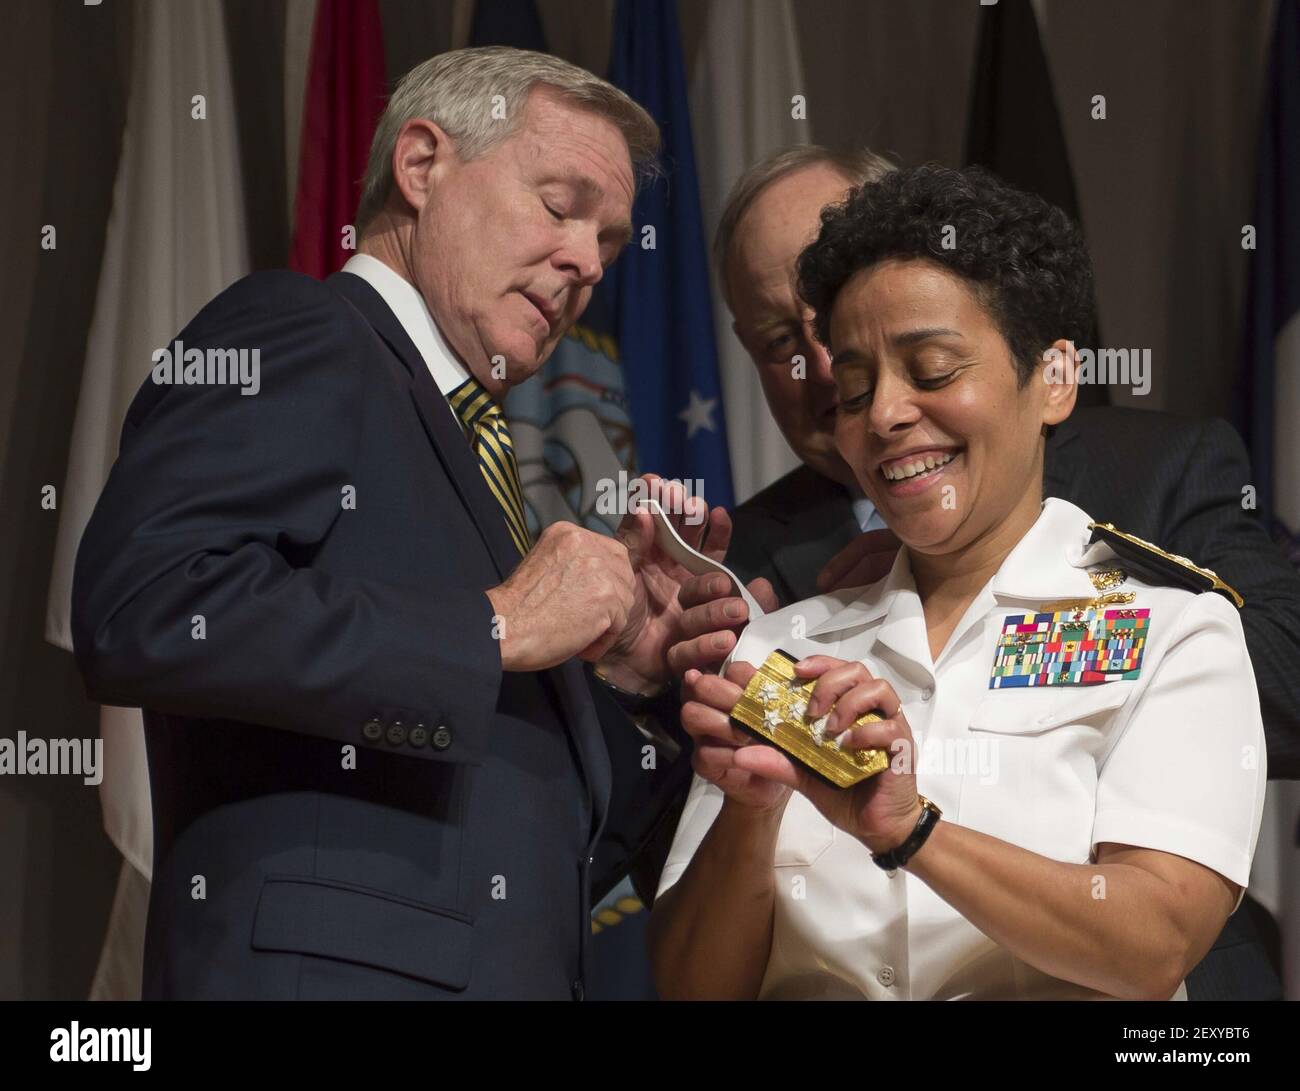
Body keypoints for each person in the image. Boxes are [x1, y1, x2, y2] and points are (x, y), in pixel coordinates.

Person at [71, 46, 714, 1000]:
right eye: (559, 205)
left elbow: (535, 854)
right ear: (421, 165)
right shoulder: (297, 330)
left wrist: (624, 680)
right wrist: (497, 625)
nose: (587, 262)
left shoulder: (472, 454)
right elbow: (145, 604)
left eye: (609, 245)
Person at [659, 144, 1299, 998]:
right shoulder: (780, 641)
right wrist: (750, 806)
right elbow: (694, 987)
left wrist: (915, 831)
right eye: (854, 389)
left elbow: (1154, 943)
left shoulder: (1171, 629)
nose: (884, 414)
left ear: (1057, 378)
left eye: (932, 370)